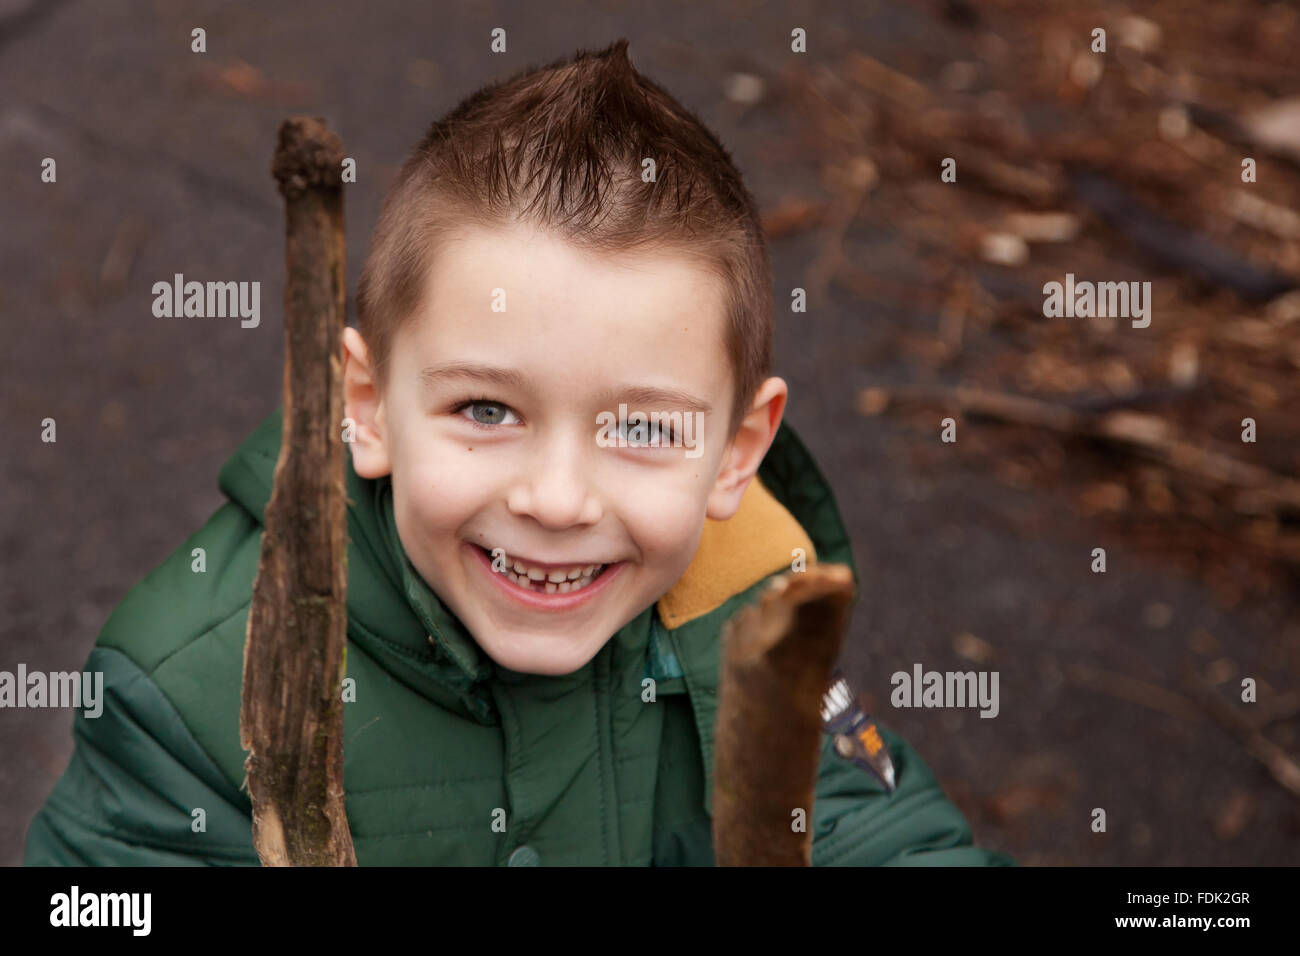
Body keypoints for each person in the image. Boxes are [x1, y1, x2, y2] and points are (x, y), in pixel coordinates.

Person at [24, 39, 1013, 866]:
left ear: (734, 451)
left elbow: (868, 826)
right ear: (361, 405)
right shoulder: (191, 692)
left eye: (640, 427)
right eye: (489, 409)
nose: (556, 497)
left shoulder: (746, 588)